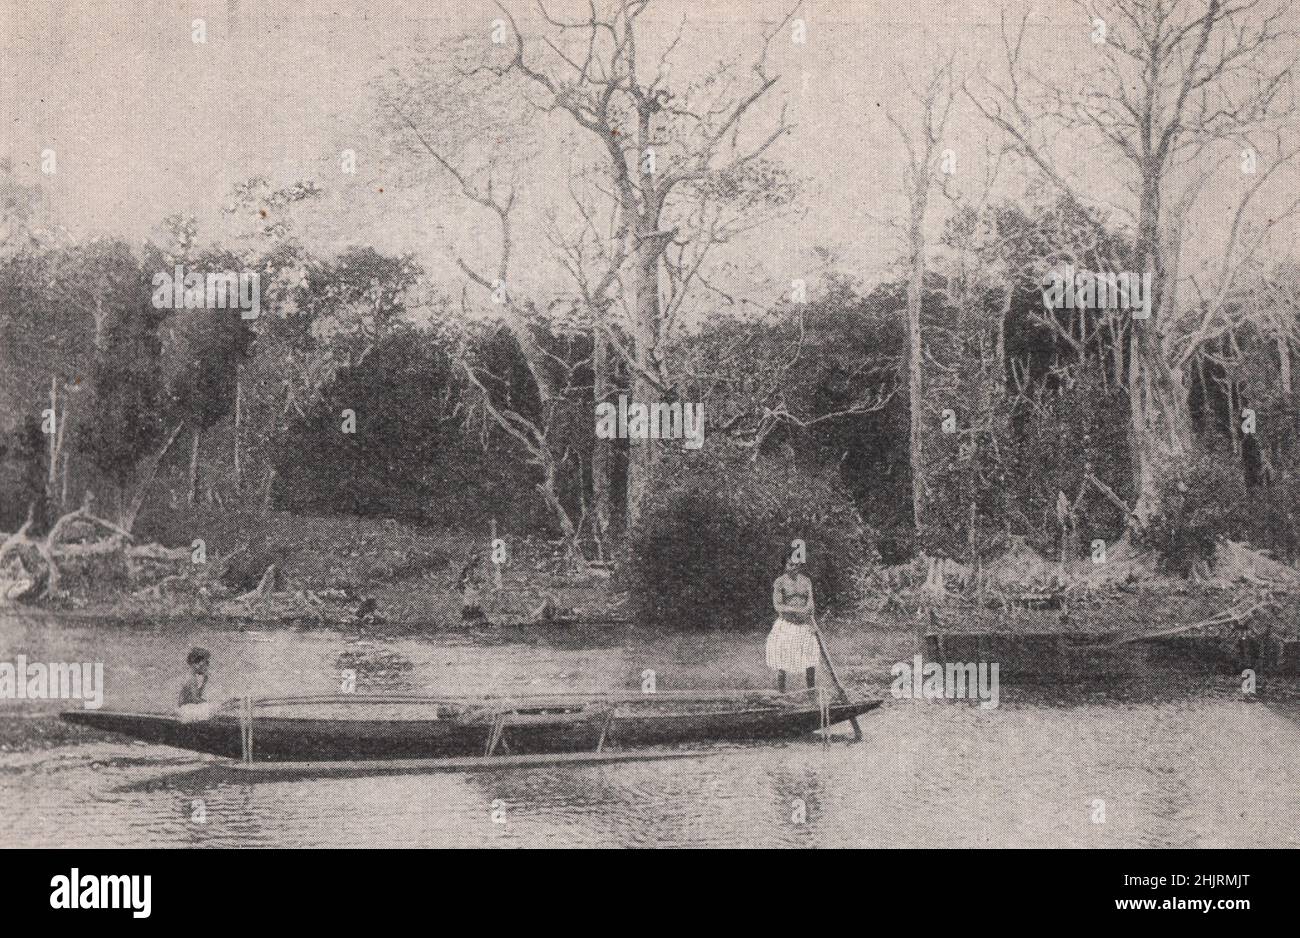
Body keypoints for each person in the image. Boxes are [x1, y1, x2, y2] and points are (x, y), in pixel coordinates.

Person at [766, 555, 820, 692]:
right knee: (783, 660)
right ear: (785, 566)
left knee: (810, 660)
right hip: (787, 625)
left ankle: (811, 692)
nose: (794, 568)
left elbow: (810, 604)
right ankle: (781, 693)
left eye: (796, 565)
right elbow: (778, 606)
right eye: (791, 565)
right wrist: (795, 610)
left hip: (804, 625)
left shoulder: (806, 581)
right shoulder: (780, 582)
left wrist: (811, 621)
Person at [177, 647, 211, 722]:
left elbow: (196, 696)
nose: (206, 665)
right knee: (210, 707)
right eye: (205, 662)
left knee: (210, 707)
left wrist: (204, 682)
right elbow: (195, 699)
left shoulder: (191, 675)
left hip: (186, 708)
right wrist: (209, 703)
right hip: (186, 710)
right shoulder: (192, 678)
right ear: (196, 664)